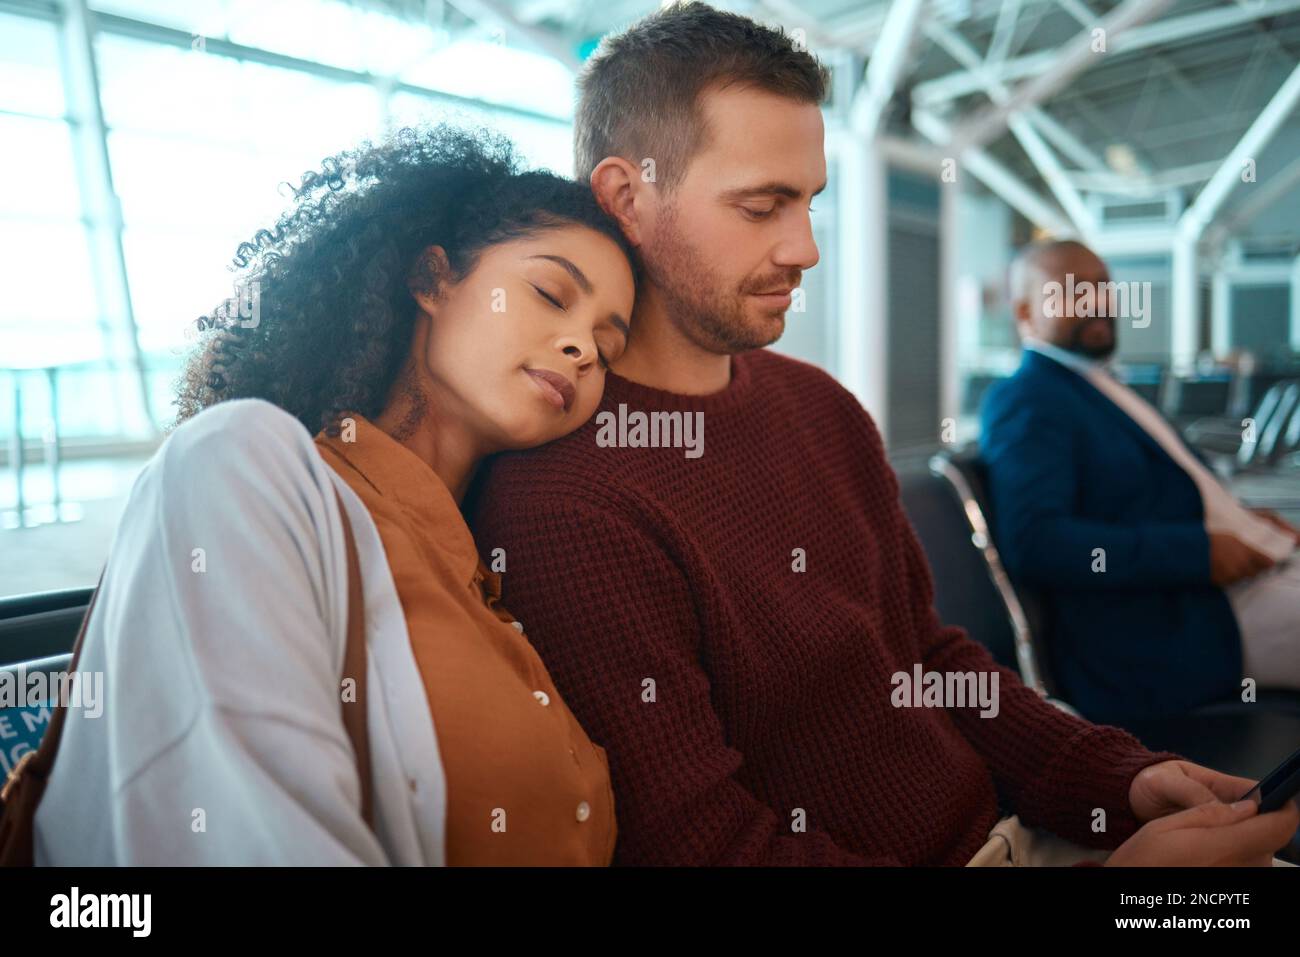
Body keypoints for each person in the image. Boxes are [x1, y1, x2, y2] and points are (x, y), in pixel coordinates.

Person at [465, 2, 1299, 866]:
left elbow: (928, 654)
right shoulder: (565, 506)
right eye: (762, 206)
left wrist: (1118, 779)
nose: (806, 248)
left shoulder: (820, 408)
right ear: (625, 198)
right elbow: (708, 845)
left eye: (810, 202)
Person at [34, 125, 636, 865]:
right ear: (432, 280)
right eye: (550, 294)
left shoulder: (495, 585)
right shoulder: (246, 468)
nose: (582, 348)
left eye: (608, 348)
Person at [981, 239, 1300, 723]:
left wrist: (1243, 519)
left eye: (1103, 286)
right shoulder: (1027, 398)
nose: (1098, 302)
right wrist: (1199, 552)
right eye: (1072, 291)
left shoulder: (1102, 385)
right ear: (1025, 312)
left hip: (1242, 581)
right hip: (1187, 619)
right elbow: (1036, 541)